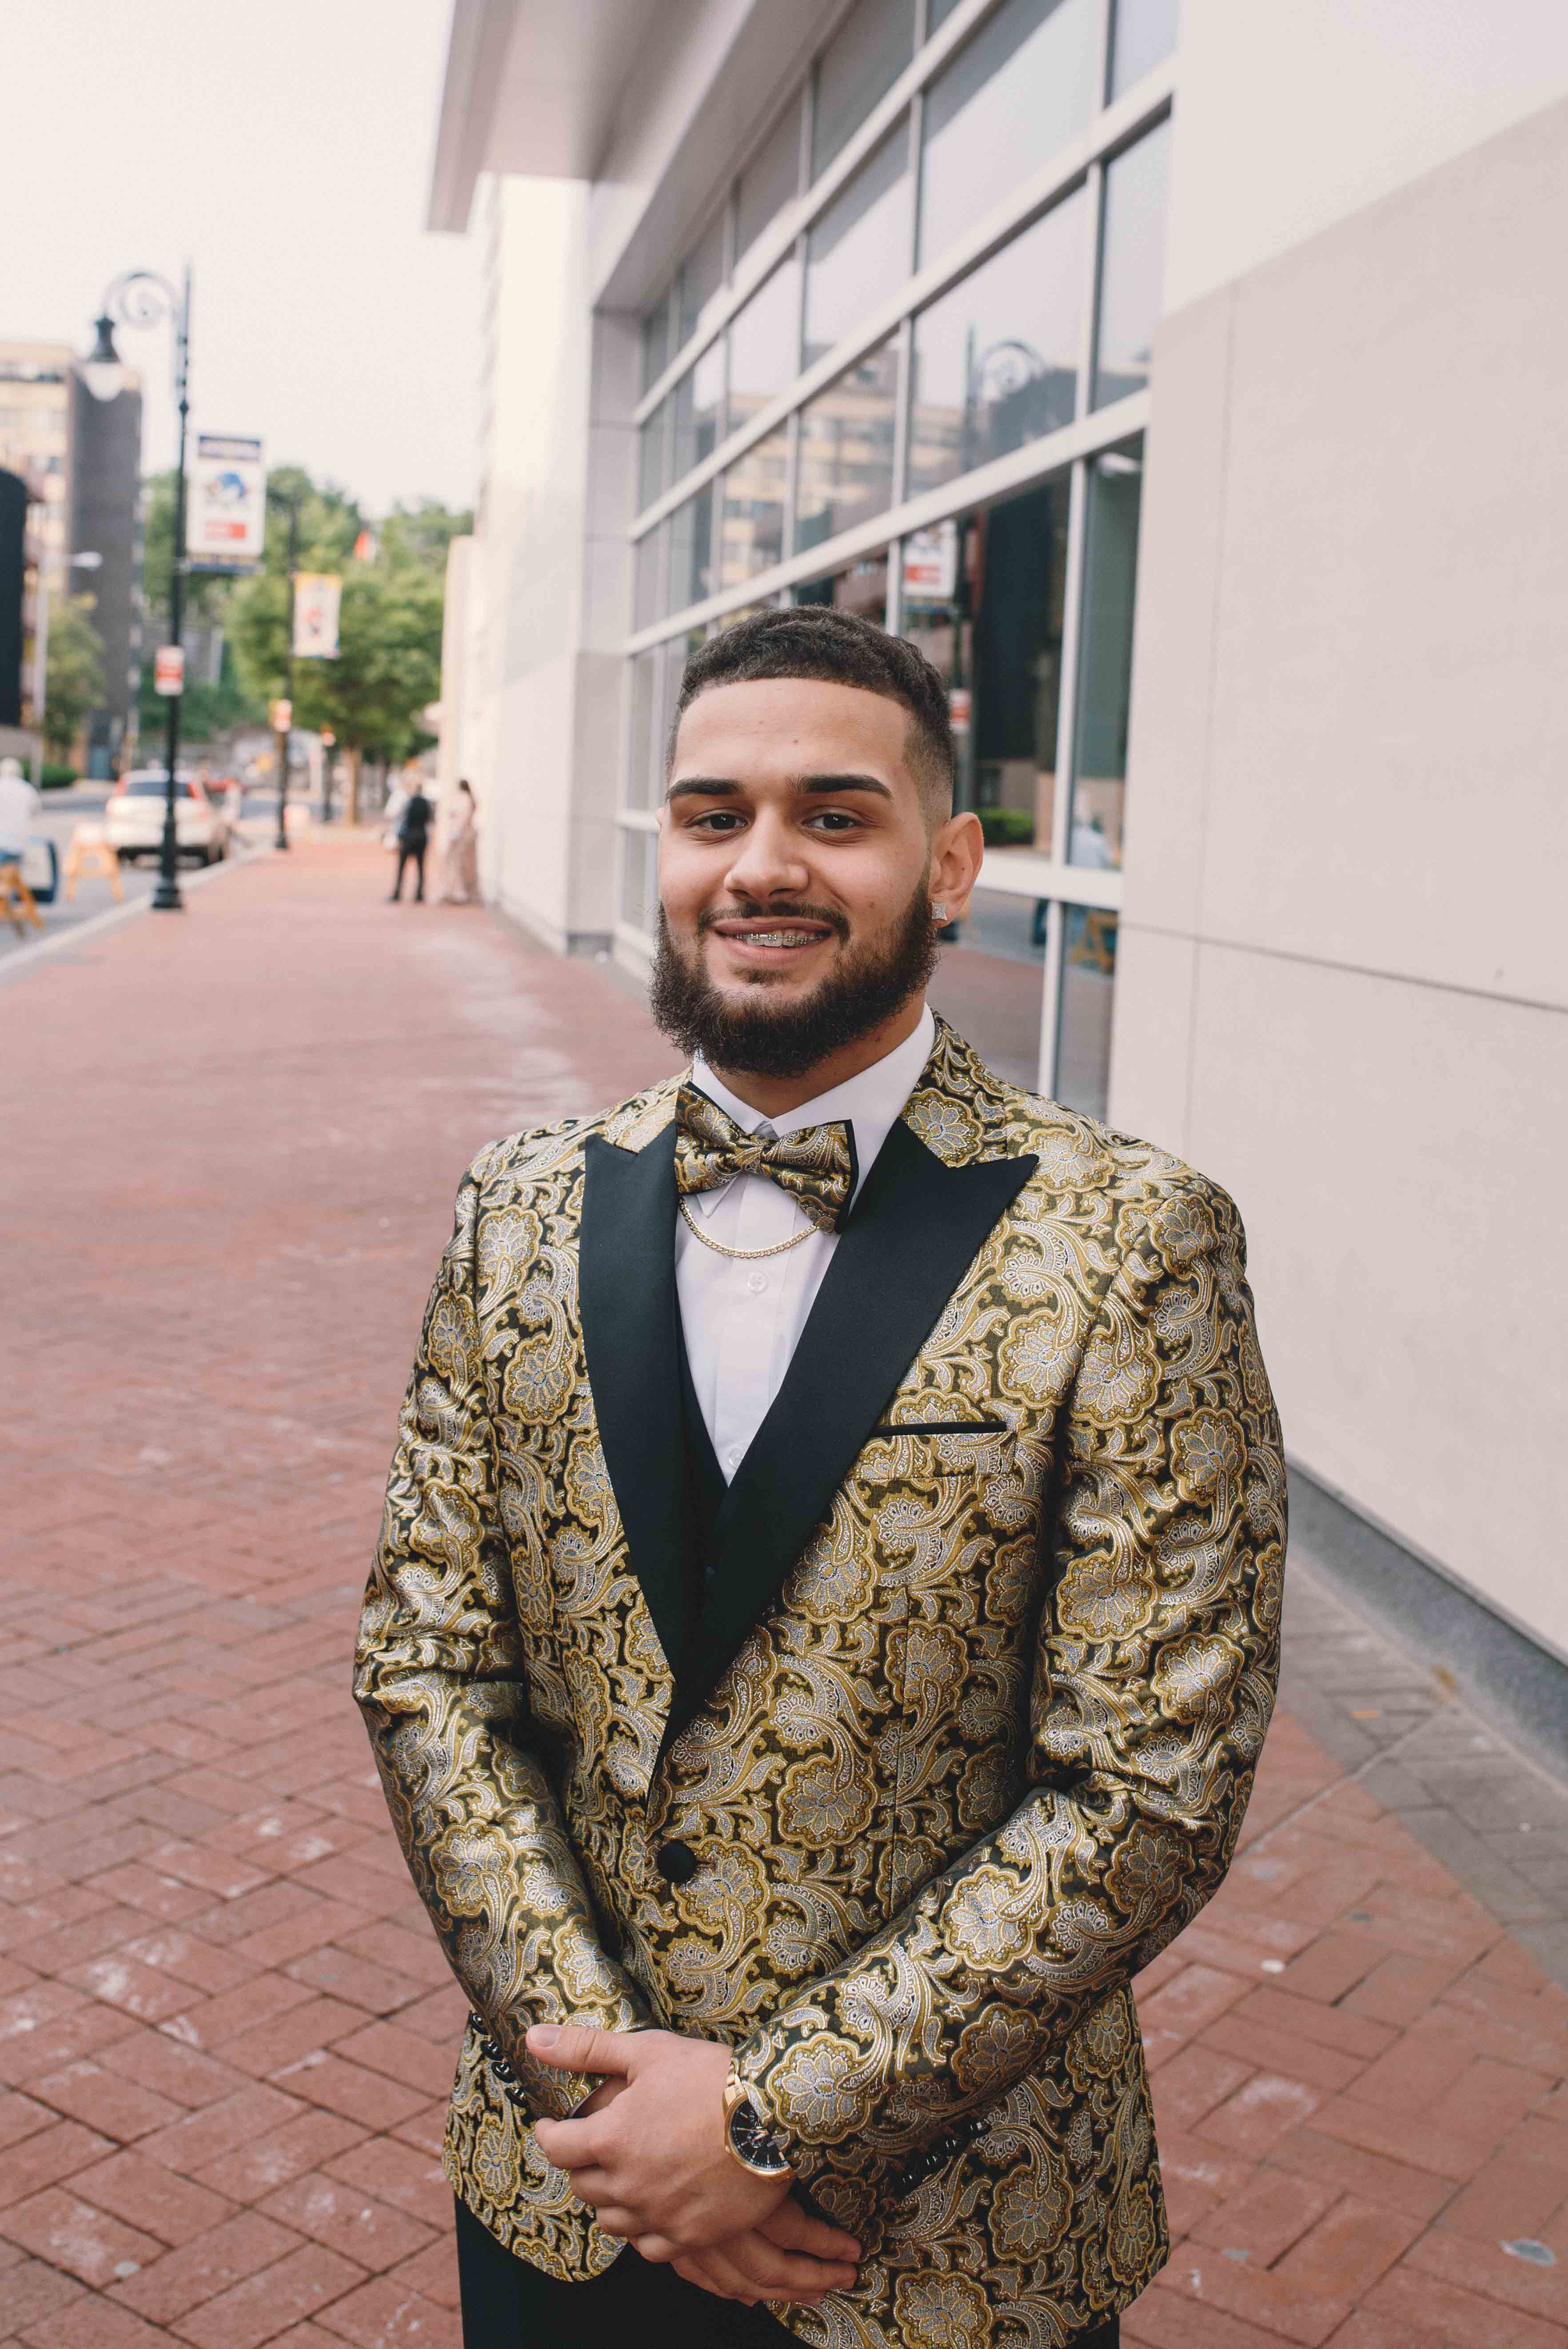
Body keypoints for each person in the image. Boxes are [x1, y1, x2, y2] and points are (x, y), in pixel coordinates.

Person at [355, 607, 1285, 2349]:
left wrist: (767, 2116)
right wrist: (619, 2109)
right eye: (714, 815)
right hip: (564, 2201)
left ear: (948, 865)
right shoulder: (519, 1200)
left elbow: (1148, 1787)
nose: (761, 863)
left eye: (833, 816)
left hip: (944, 2241)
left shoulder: (1133, 1241)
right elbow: (427, 1670)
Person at [388, 774, 433, 902]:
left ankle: (398, 892)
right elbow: (429, 820)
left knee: (402, 866)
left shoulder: (409, 802)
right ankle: (419, 894)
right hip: (422, 836)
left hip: (409, 836)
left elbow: (401, 818)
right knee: (421, 867)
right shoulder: (426, 804)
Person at [436, 778, 480, 904]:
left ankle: (458, 892)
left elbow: (463, 818)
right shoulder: (468, 799)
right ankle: (459, 891)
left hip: (461, 835)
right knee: (463, 864)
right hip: (464, 834)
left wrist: (455, 834)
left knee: (456, 863)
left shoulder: (464, 800)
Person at [0, 754, 42, 866]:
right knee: (13, 879)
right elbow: (35, 811)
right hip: (19, 843)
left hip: (2, 842)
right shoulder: (28, 789)